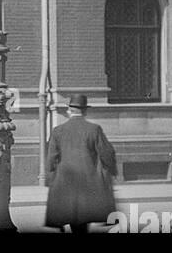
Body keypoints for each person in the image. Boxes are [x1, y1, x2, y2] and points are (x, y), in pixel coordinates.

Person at [45, 94, 118, 233]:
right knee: (83, 218)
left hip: (65, 179)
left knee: (71, 216)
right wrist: (112, 170)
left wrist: (50, 176)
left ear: (68, 111)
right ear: (85, 111)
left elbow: (51, 158)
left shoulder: (57, 131)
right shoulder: (94, 129)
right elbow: (107, 152)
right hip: (88, 179)